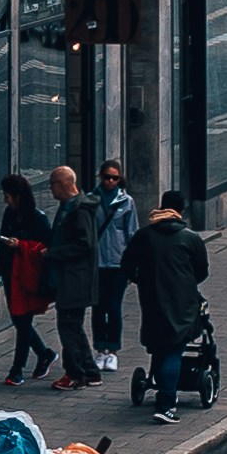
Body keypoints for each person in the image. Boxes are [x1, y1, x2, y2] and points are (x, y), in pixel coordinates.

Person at [134, 188, 210, 419]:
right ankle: (166, 403)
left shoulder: (144, 235)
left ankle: (158, 383)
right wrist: (186, 284)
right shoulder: (190, 238)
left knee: (160, 345)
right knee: (174, 350)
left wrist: (141, 280)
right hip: (182, 303)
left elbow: (127, 262)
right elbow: (202, 271)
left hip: (152, 300)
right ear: (182, 210)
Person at [39, 163, 101, 390]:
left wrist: (53, 254)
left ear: (63, 184)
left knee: (68, 327)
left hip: (75, 280)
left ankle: (75, 374)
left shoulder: (79, 210)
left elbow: (84, 245)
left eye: (52, 184)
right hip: (71, 278)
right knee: (73, 326)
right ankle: (91, 372)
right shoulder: (70, 207)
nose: (50, 189)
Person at [0, 177, 50, 385]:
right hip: (11, 273)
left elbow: (45, 247)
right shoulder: (9, 214)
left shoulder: (37, 218)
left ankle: (16, 370)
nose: (5, 200)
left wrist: (21, 244)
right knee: (19, 320)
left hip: (29, 275)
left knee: (24, 321)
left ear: (18, 196)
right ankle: (44, 353)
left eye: (7, 196)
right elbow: (2, 243)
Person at [89, 160, 141, 374]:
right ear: (100, 177)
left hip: (118, 262)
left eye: (114, 178)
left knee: (114, 306)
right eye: (107, 177)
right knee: (98, 307)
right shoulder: (91, 200)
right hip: (97, 262)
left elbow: (132, 233)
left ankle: (113, 350)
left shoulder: (126, 202)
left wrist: (133, 264)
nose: (110, 181)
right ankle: (100, 349)